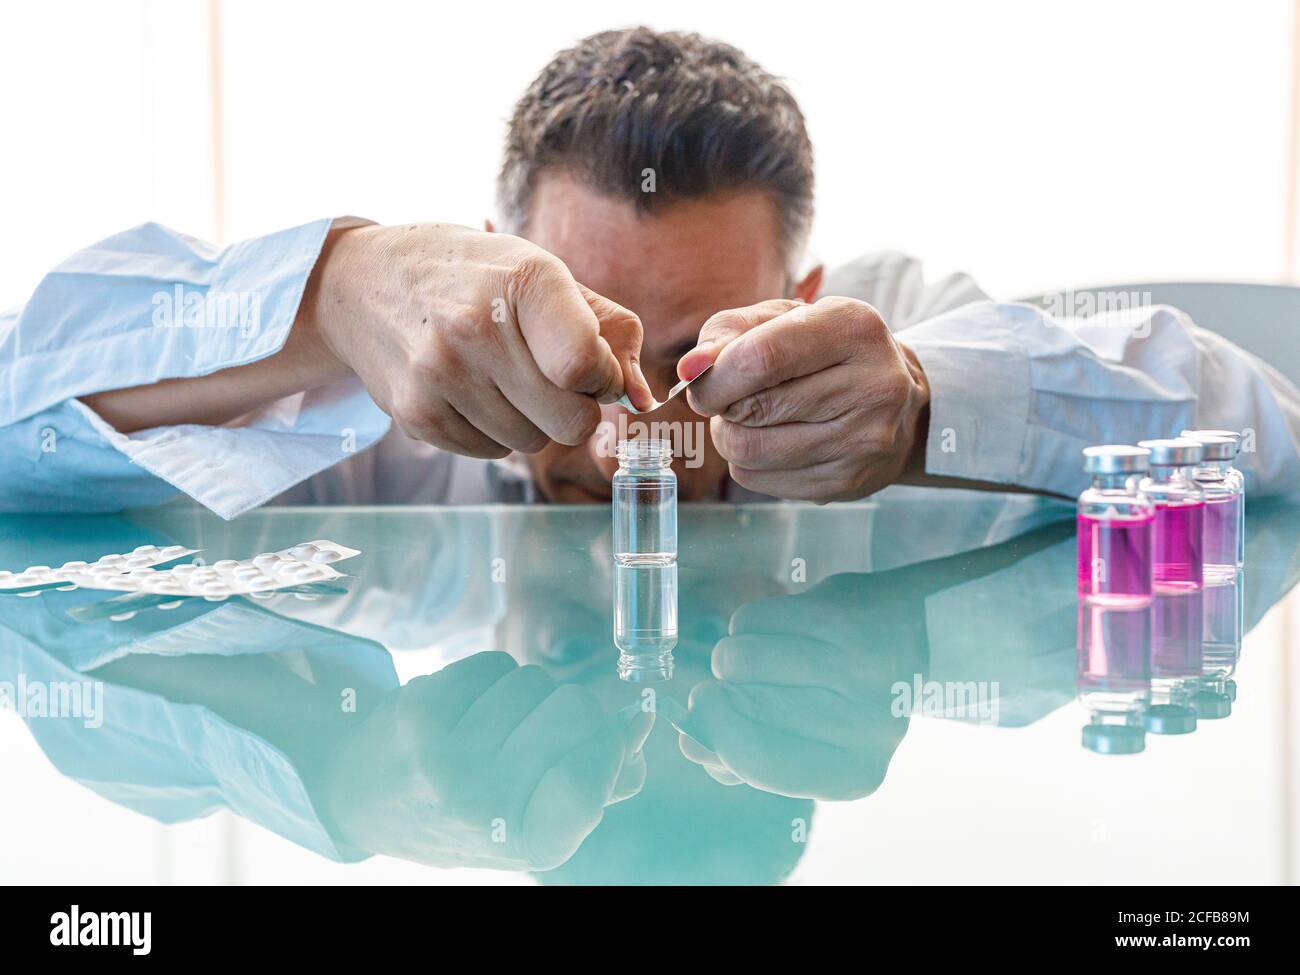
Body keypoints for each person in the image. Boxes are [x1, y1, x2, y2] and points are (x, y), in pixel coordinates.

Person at [3, 28, 1297, 519]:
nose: (641, 440)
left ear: (799, 305)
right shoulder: (387, 399)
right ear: (491, 284)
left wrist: (923, 409)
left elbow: (1265, 436)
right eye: (581, 349)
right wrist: (327, 292)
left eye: (692, 360)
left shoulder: (894, 335)